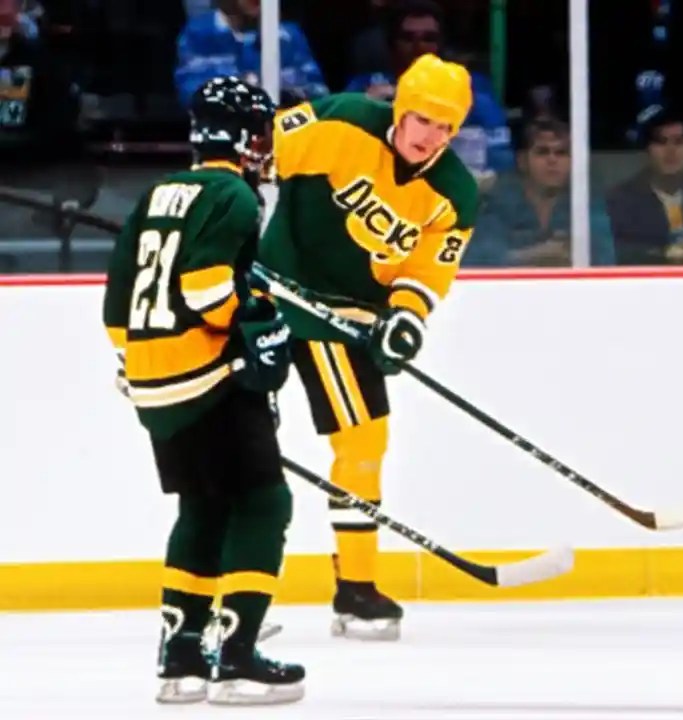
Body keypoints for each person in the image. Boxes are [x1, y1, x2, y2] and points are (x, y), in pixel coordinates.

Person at [256, 53, 479, 641]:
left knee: (363, 442)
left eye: (444, 127)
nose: (429, 136)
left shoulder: (453, 192)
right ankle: (231, 593)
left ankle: (355, 589)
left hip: (348, 319)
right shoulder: (340, 121)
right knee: (241, 441)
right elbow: (250, 159)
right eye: (422, 119)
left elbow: (427, 272)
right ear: (399, 110)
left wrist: (406, 319)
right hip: (268, 299)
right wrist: (224, 236)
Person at [102, 76, 301, 705]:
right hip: (210, 378)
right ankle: (238, 657)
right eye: (262, 132)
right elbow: (206, 291)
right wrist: (259, 321)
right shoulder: (236, 196)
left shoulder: (156, 196)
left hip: (154, 381)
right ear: (242, 136)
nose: (266, 146)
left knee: (203, 507)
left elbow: (116, 309)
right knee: (265, 504)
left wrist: (137, 362)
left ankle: (180, 658)